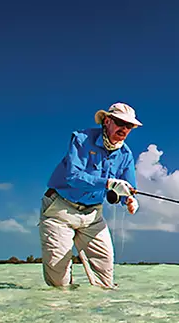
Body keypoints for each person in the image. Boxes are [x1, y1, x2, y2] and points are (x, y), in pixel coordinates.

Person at [38, 102, 142, 289]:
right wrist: (108, 183)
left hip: (93, 215)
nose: (124, 129)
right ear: (107, 121)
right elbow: (73, 177)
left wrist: (130, 200)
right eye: (120, 123)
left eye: (129, 126)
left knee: (106, 276)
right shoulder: (81, 139)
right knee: (58, 279)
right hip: (60, 209)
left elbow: (128, 187)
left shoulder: (126, 154)